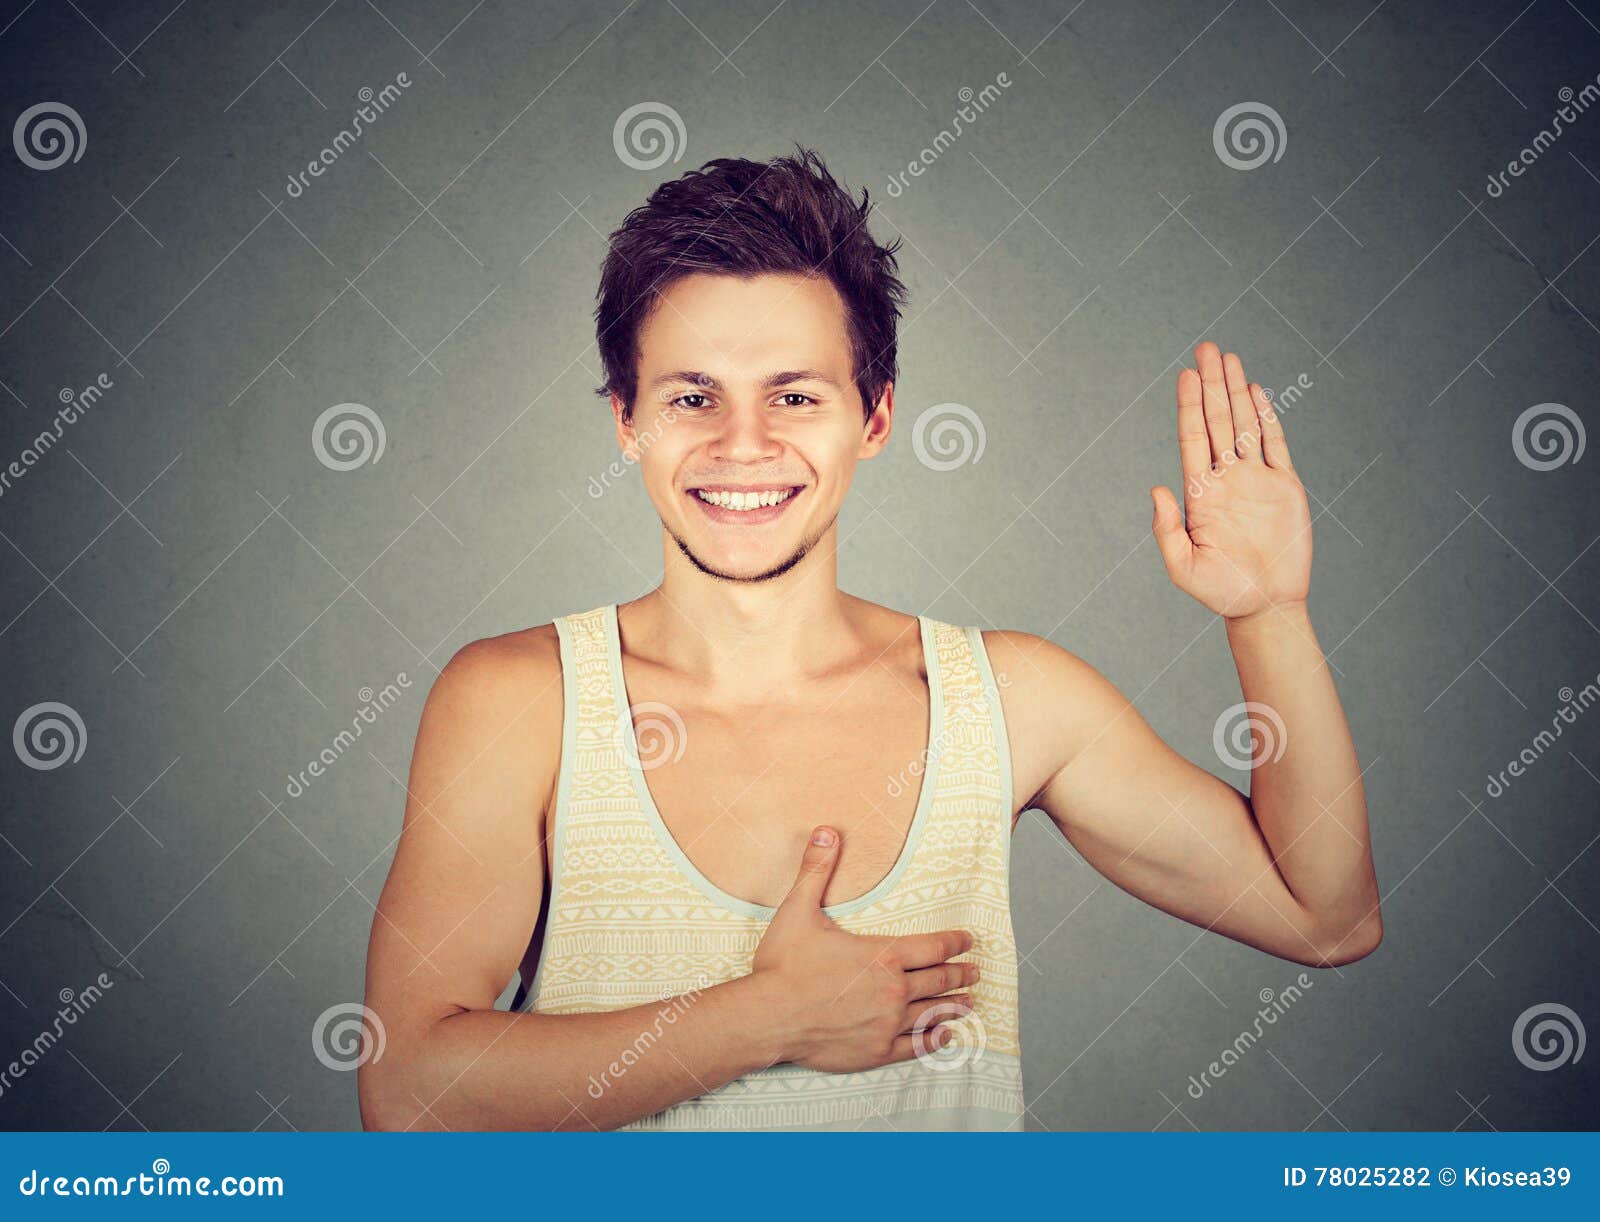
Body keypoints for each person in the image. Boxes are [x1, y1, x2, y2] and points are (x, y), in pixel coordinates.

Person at [357, 146, 1381, 1132]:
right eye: (692, 398)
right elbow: (407, 1097)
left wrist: (1267, 616)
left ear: (876, 417)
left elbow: (1324, 917)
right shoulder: (519, 702)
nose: (743, 445)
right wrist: (768, 1019)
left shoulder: (1013, 701)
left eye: (795, 396)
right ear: (626, 419)